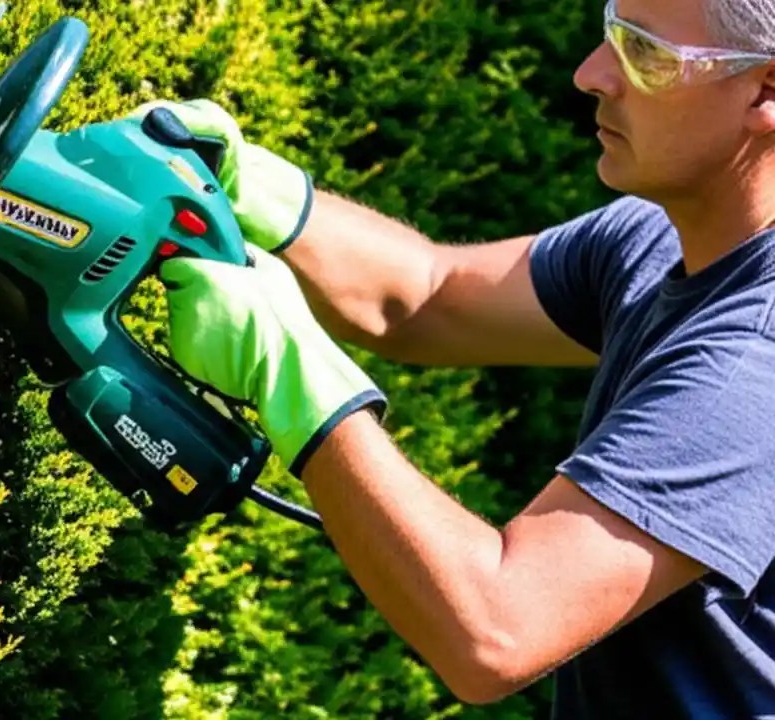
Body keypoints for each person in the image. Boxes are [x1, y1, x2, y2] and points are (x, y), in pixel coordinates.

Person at [131, 0, 775, 716]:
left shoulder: (752, 364)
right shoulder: (658, 240)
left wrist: (289, 370)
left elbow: (497, 628)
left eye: (646, 54)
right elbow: (427, 296)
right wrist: (248, 186)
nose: (592, 74)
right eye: (610, 31)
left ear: (766, 90)